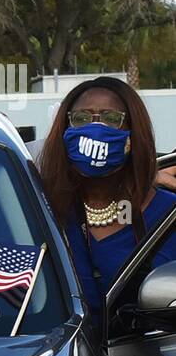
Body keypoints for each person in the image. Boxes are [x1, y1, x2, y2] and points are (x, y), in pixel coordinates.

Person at [38, 77, 176, 324]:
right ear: (65, 128)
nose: (95, 129)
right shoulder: (39, 209)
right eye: (81, 118)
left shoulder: (168, 215)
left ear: (133, 133)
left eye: (112, 119)